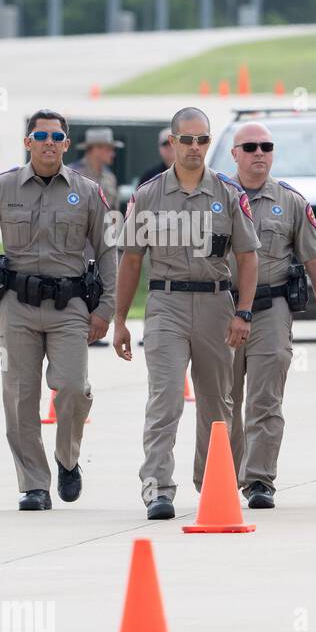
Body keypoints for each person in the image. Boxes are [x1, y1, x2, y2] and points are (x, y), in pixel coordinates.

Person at [112, 106, 260, 520]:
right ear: (172, 142)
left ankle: (214, 481)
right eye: (187, 140)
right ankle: (158, 486)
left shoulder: (229, 194)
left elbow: (248, 259)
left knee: (218, 403)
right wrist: (120, 321)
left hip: (216, 304)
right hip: (166, 304)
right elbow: (131, 261)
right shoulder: (148, 195)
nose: (195, 148)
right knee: (166, 398)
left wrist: (243, 312)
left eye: (202, 140)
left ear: (209, 144)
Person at [0, 109, 116, 510]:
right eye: (40, 135)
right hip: (16, 306)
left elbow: (107, 251)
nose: (49, 142)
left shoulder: (86, 191)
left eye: (56, 136)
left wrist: (106, 309)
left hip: (70, 307)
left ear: (67, 144)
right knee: (19, 395)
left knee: (70, 387)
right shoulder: (3, 186)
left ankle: (68, 460)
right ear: (27, 142)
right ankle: (33, 484)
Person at [226, 121, 316, 509]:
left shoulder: (290, 201)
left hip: (271, 306)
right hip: (221, 309)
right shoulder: (216, 197)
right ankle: (222, 475)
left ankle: (259, 479)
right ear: (234, 154)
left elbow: (315, 259)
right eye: (250, 147)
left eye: (266, 146)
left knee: (265, 399)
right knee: (223, 400)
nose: (259, 153)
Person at [73, 127, 121, 208]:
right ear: (96, 149)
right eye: (109, 149)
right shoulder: (72, 175)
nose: (113, 154)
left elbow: (114, 211)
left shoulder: (110, 177)